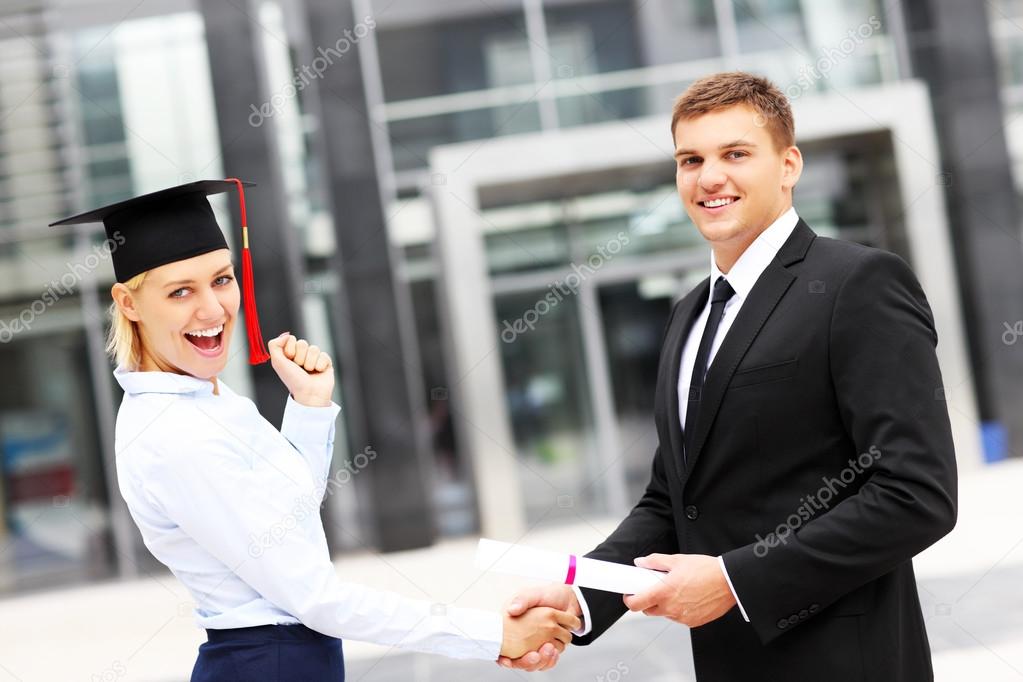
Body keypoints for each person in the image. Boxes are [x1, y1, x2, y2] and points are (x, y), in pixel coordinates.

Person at [500, 72, 958, 680]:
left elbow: (916, 493)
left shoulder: (858, 284)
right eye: (691, 159)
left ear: (788, 164)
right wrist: (585, 593)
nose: (709, 177)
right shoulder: (689, 313)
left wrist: (733, 580)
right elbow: (674, 502)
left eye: (735, 154)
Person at [51, 180, 579, 681]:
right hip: (268, 663)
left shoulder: (204, 399)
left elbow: (291, 522)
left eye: (221, 279)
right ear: (128, 303)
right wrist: (493, 635)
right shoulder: (172, 434)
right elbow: (316, 597)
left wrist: (308, 408)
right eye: (180, 292)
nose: (212, 309)